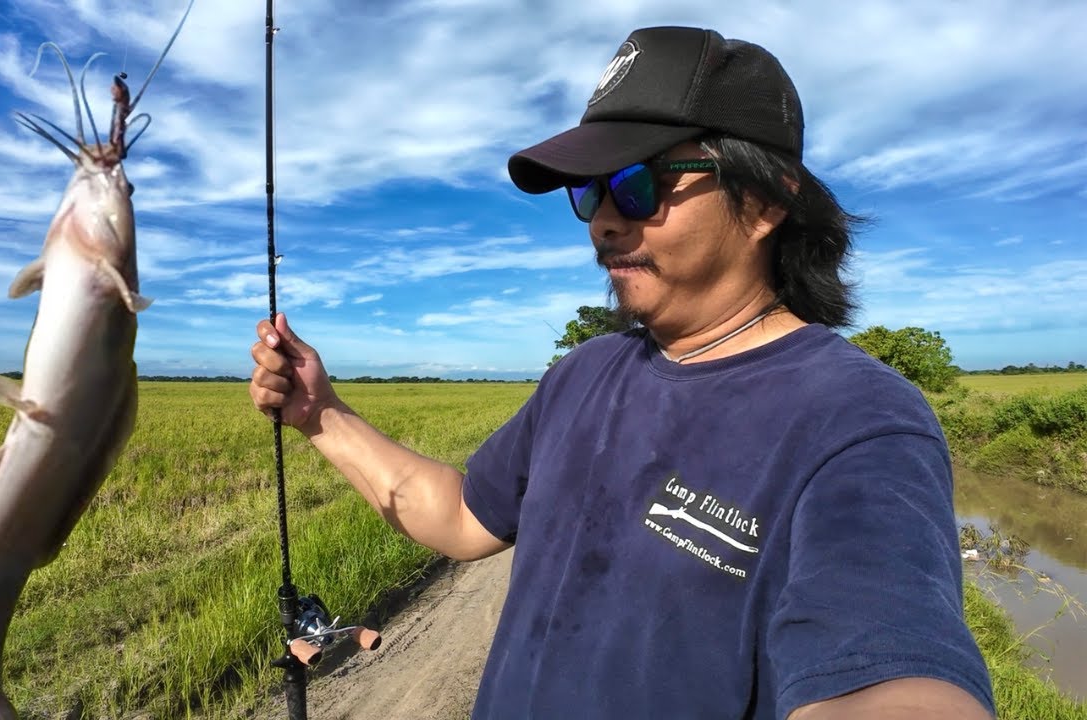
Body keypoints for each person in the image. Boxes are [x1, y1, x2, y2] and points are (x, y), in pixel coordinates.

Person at [249, 25, 996, 720]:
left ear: (765, 201)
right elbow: (459, 518)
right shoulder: (585, 372)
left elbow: (897, 679)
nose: (606, 221)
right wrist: (321, 414)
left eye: (638, 184)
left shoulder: (860, 421)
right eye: (590, 191)